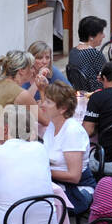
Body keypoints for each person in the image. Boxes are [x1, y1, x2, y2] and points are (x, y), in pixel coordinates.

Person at [38, 82, 95, 215]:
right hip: (56, 185)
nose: (43, 104)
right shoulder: (53, 124)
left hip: (78, 191)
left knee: (34, 204)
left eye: (48, 102)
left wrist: (42, 171)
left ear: (62, 108)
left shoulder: (72, 131)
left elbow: (74, 176)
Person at [0, 50, 41, 142]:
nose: (33, 70)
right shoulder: (20, 94)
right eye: (31, 67)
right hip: (2, 145)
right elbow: (45, 120)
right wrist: (42, 90)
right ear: (21, 70)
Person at [68, 15, 108, 91]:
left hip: (80, 93)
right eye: (101, 33)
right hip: (96, 93)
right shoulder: (94, 54)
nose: (104, 36)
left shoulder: (73, 52)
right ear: (91, 37)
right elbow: (109, 75)